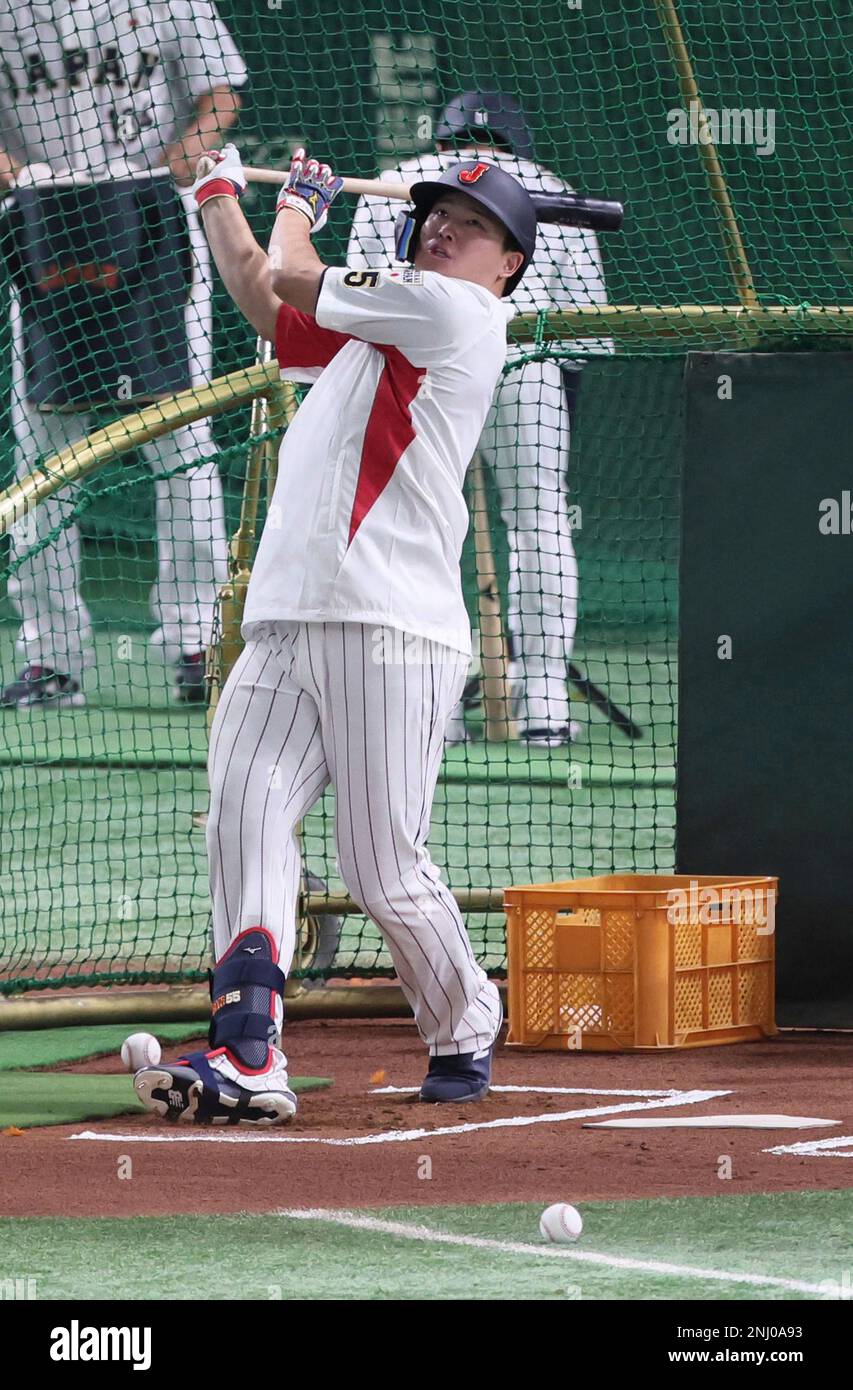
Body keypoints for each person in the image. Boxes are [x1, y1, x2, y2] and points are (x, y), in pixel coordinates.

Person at [134, 142, 537, 1124]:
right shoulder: (376, 329)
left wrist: (301, 206)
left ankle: (463, 1016)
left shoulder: (460, 312)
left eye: (473, 225)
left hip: (388, 623)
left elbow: (291, 270)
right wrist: (218, 191)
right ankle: (248, 1048)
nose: (444, 226)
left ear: (507, 264)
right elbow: (264, 295)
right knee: (242, 812)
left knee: (379, 863)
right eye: (437, 211)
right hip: (286, 616)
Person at [0, 1, 247, 707]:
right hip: (45, 227)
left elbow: (219, 92)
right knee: (46, 464)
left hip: (150, 225)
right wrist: (14, 170)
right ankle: (51, 660)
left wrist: (178, 157)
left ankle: (198, 641)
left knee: (183, 448)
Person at [348, 91, 611, 745]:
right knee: (540, 516)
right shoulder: (551, 188)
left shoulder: (392, 178)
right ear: (515, 144)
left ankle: (430, 709)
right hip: (521, 359)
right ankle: (543, 701)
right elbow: (586, 327)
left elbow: (360, 292)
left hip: (421, 367)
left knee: (414, 526)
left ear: (444, 139)